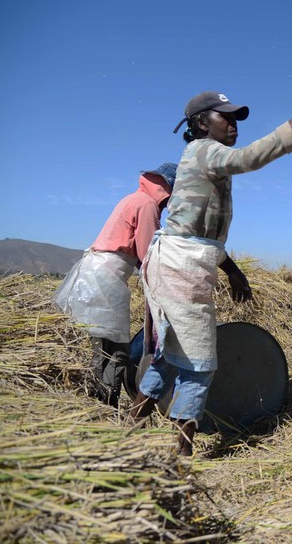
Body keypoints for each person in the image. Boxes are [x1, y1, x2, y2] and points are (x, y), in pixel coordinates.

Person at [130, 83, 292, 456]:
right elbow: (247, 159)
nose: (234, 123)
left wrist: (232, 270)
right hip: (180, 268)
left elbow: (203, 235)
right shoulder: (205, 151)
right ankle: (182, 453)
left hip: (179, 263)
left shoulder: (204, 158)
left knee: (167, 355)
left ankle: (133, 424)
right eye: (226, 116)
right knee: (200, 363)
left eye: (237, 117)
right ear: (201, 123)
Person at [53, 163, 178, 407]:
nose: (166, 206)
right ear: (166, 190)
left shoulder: (134, 198)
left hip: (97, 274)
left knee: (102, 345)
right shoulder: (147, 205)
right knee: (115, 350)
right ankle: (104, 406)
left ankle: (95, 403)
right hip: (104, 279)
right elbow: (147, 254)